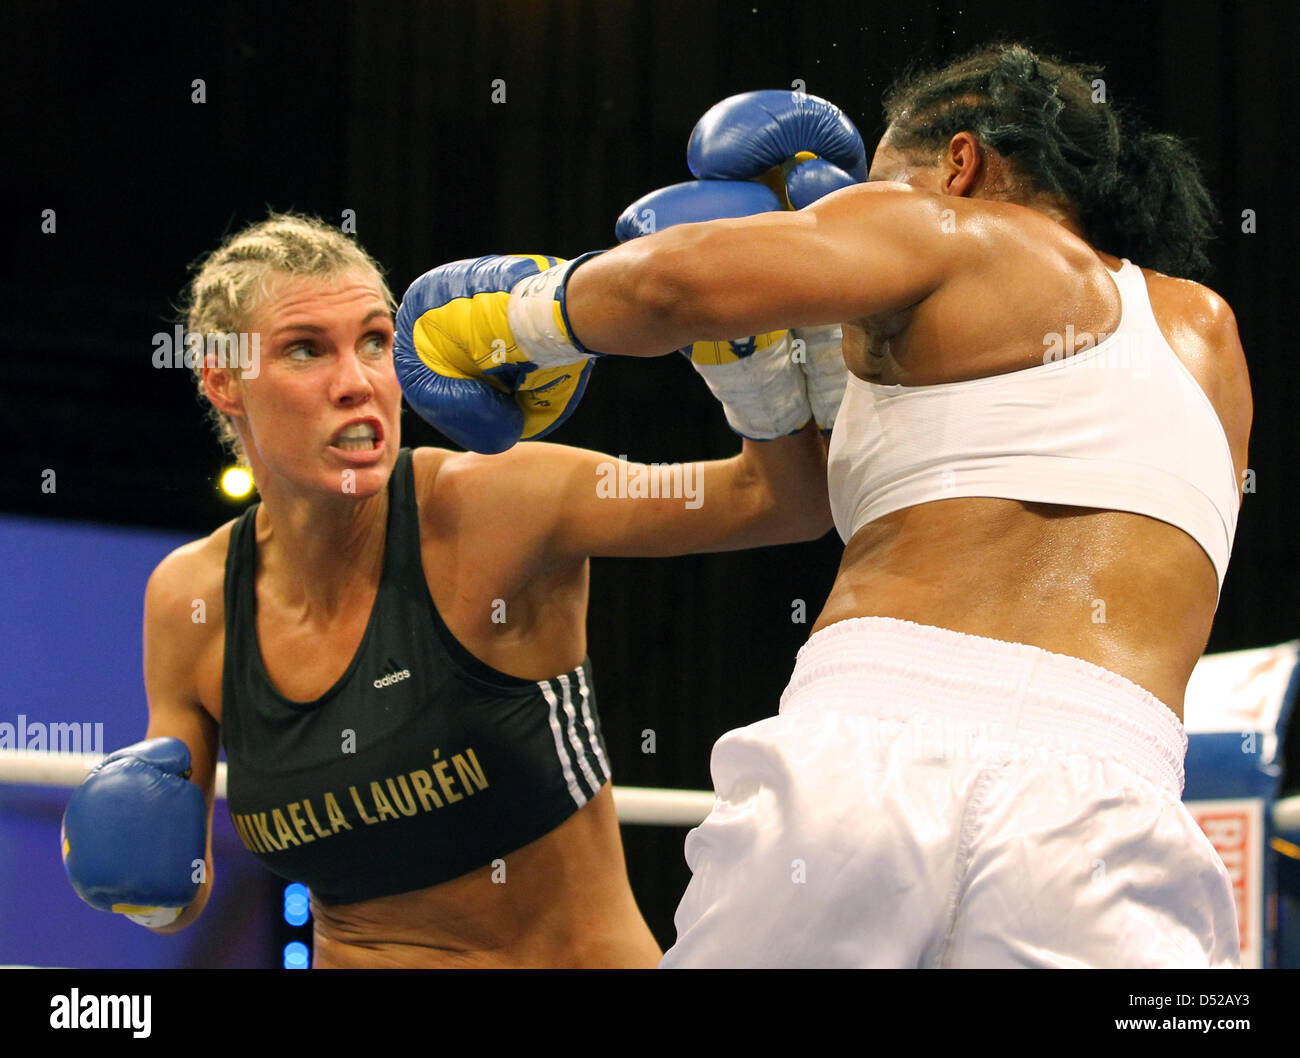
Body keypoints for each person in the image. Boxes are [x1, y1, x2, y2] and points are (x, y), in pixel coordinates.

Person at [412, 45, 1252, 967]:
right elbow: (863, 481)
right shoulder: (1208, 334)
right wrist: (771, 384)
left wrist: (516, 317)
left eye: (882, 183)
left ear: (960, 164)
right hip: (1114, 806)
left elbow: (666, 285)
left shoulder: (949, 229)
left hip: (867, 759)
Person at [59, 212, 835, 968]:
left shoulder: (493, 506)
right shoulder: (191, 599)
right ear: (223, 379)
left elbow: (784, 500)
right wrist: (137, 875)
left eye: (374, 341)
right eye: (305, 350)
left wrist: (749, 362)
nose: (357, 383)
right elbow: (176, 890)